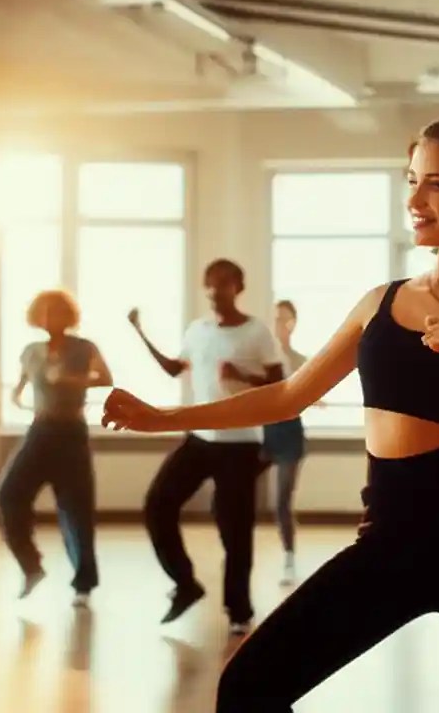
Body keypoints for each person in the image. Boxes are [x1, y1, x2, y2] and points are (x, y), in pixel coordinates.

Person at [104, 116, 439, 712]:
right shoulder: (379, 302)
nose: (414, 200)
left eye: (436, 184)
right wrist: (162, 417)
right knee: (250, 686)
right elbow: (289, 394)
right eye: (411, 181)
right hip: (392, 531)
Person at [127, 259, 283, 635]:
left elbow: (279, 384)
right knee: (157, 504)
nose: (215, 291)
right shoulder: (197, 330)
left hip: (240, 445)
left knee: (234, 530)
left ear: (238, 287)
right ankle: (185, 584)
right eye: (210, 284)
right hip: (199, 438)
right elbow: (173, 368)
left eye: (224, 283)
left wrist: (242, 375)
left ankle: (239, 611)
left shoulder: (257, 333)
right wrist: (140, 332)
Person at [0, 289, 112, 607]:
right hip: (40, 430)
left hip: (71, 432)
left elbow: (105, 378)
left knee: (76, 510)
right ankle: (31, 566)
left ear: (68, 316)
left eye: (57, 312)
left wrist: (73, 380)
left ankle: (83, 584)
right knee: (9, 493)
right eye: (45, 312)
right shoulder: (30, 351)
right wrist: (20, 400)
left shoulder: (85, 347)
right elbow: (19, 388)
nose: (51, 318)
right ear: (37, 317)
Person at [262, 300, 308, 587]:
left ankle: (289, 557)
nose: (280, 324)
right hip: (261, 433)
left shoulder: (301, 360)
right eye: (276, 318)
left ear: (293, 323)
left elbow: (302, 395)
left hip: (289, 434)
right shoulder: (262, 357)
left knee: (281, 500)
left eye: (285, 319)